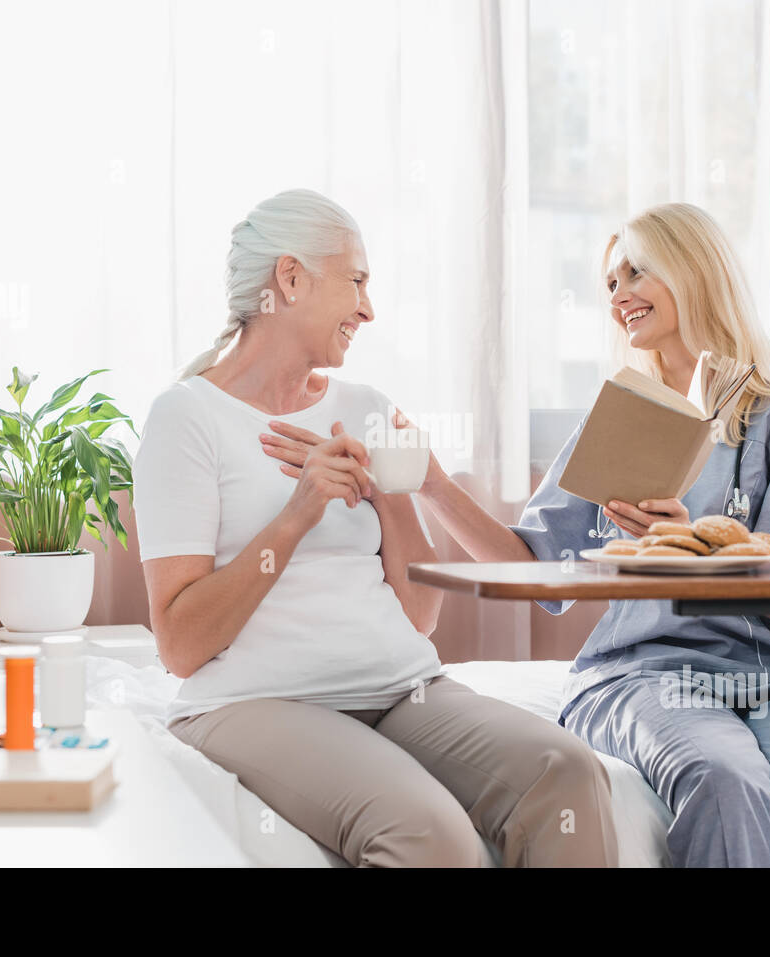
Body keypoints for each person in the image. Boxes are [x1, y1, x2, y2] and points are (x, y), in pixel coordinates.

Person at [415, 202, 770, 867]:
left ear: (693, 271)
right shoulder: (618, 420)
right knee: (727, 785)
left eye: (637, 272)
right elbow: (532, 566)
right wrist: (430, 482)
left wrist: (703, 551)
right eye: (609, 283)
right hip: (649, 671)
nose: (618, 295)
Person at [133, 189, 618, 867]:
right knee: (430, 835)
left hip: (400, 686)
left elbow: (417, 617)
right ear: (290, 278)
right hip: (257, 700)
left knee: (568, 772)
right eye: (356, 281)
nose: (368, 308)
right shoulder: (186, 419)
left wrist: (390, 497)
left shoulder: (365, 408)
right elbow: (180, 645)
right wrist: (299, 514)